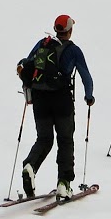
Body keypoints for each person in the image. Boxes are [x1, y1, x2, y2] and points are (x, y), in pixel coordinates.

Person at [18, 15, 95, 198]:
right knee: (65, 140)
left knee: (44, 138)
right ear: (69, 31)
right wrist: (89, 96)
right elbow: (86, 76)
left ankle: (30, 166)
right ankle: (64, 183)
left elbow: (27, 63)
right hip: (62, 99)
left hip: (40, 98)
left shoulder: (42, 44)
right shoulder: (74, 50)